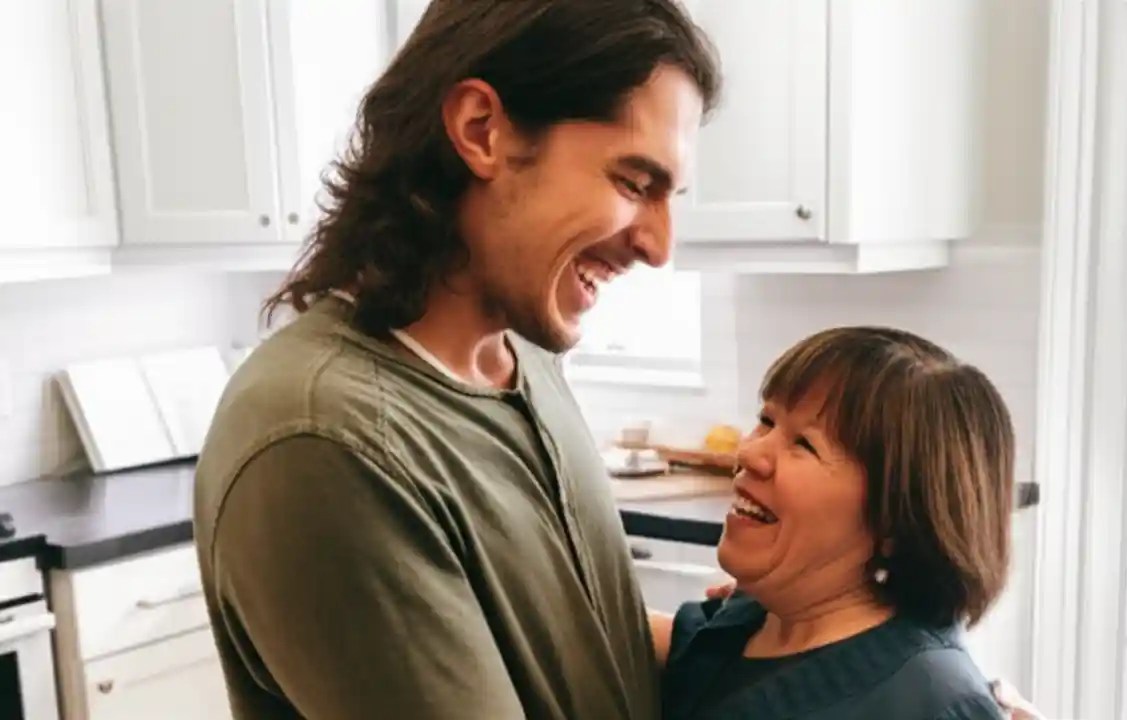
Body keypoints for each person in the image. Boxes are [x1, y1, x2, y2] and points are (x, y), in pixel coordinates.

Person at [192, 1, 720, 718]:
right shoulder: (326, 439)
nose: (660, 246)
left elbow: (585, 653)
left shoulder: (524, 358)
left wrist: (764, 640)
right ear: (482, 130)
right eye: (633, 183)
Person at [654, 327, 1016, 719]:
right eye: (767, 420)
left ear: (895, 515)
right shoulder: (748, 622)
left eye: (804, 444)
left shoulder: (929, 701)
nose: (750, 451)